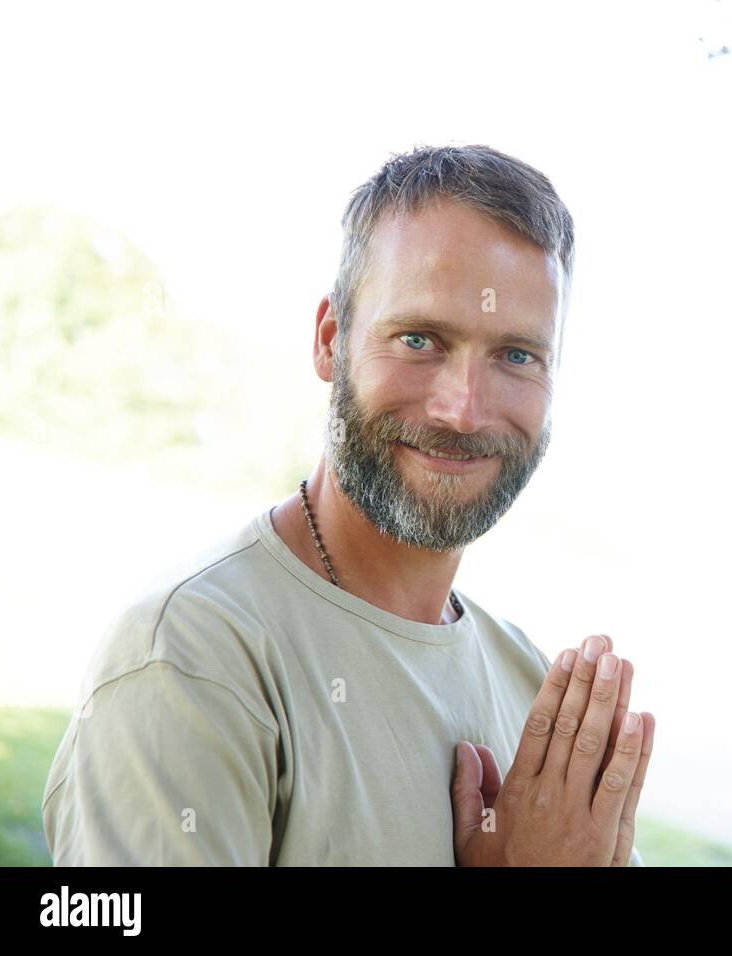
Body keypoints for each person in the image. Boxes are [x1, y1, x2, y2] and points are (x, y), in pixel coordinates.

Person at [41, 144, 656, 866]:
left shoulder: (535, 691)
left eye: (517, 355)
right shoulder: (190, 659)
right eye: (420, 339)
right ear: (332, 341)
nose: (464, 409)